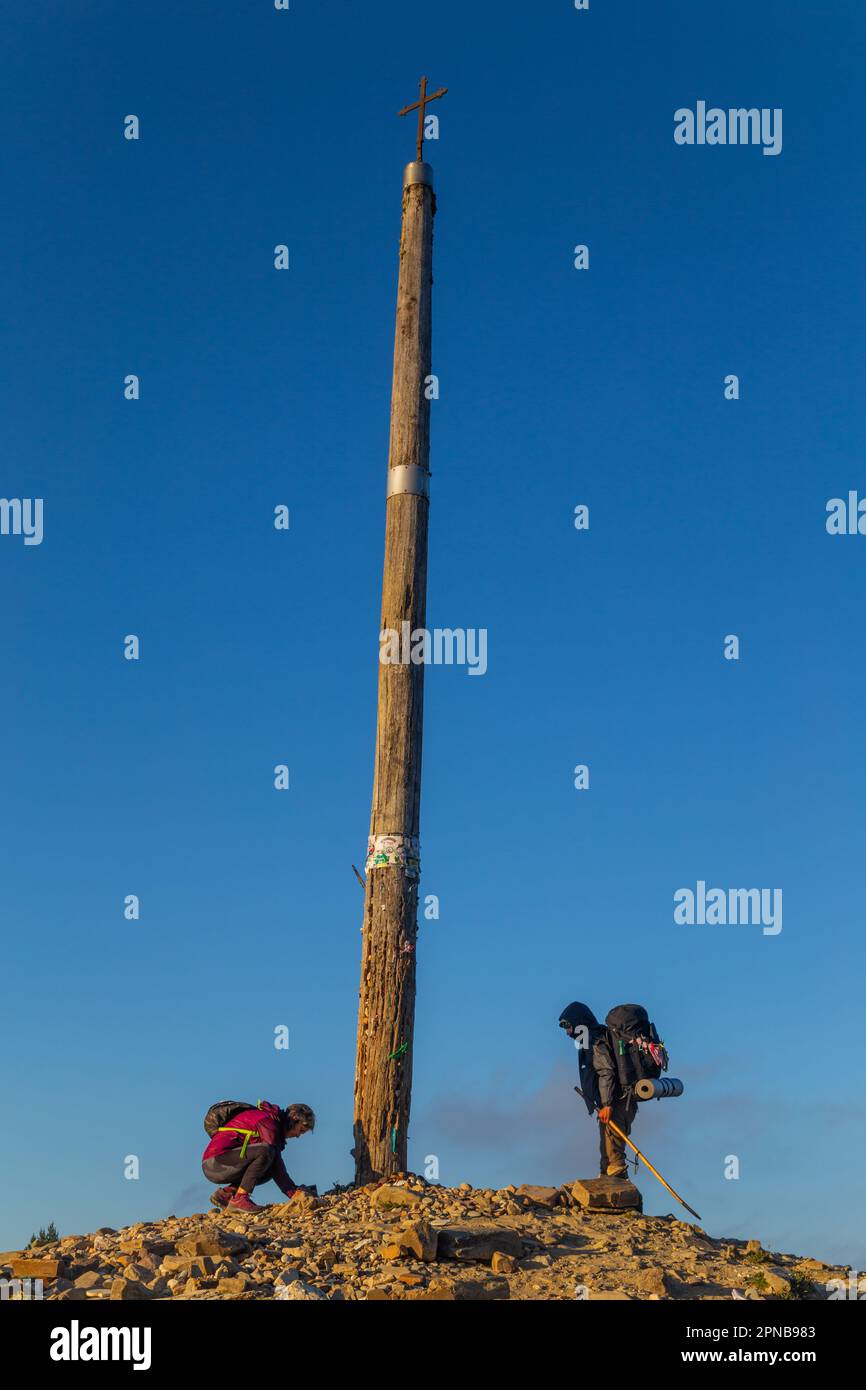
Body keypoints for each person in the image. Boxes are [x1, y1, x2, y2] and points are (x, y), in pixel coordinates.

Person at [559, 1001, 636, 1182]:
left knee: (614, 1160)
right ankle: (608, 1191)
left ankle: (617, 1196)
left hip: (616, 1103)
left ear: (580, 1023)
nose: (567, 1032)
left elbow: (606, 1071)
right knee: (608, 1158)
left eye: (568, 1026)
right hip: (616, 1102)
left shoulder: (594, 1040)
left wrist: (607, 1104)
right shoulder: (591, 1038)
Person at [202, 1100, 315, 1212]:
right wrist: (293, 1192)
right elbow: (274, 1158)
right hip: (216, 1162)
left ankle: (227, 1195)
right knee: (266, 1152)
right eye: (301, 1130)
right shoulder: (267, 1121)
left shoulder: (272, 1123)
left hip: (220, 1164)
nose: (298, 1136)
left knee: (268, 1166)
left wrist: (293, 1191)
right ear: (294, 1119)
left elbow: (273, 1164)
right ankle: (240, 1199)